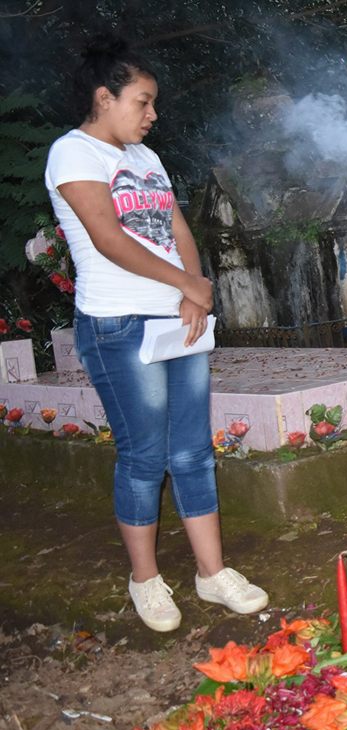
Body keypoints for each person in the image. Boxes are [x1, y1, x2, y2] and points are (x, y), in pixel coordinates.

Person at [45, 37, 267, 632]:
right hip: (118, 324)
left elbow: (173, 226)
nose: (152, 114)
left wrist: (193, 285)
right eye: (142, 102)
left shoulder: (145, 157)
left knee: (193, 451)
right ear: (103, 97)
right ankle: (144, 579)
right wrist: (187, 286)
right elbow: (108, 237)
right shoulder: (74, 154)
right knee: (143, 456)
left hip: (177, 318)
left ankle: (212, 572)